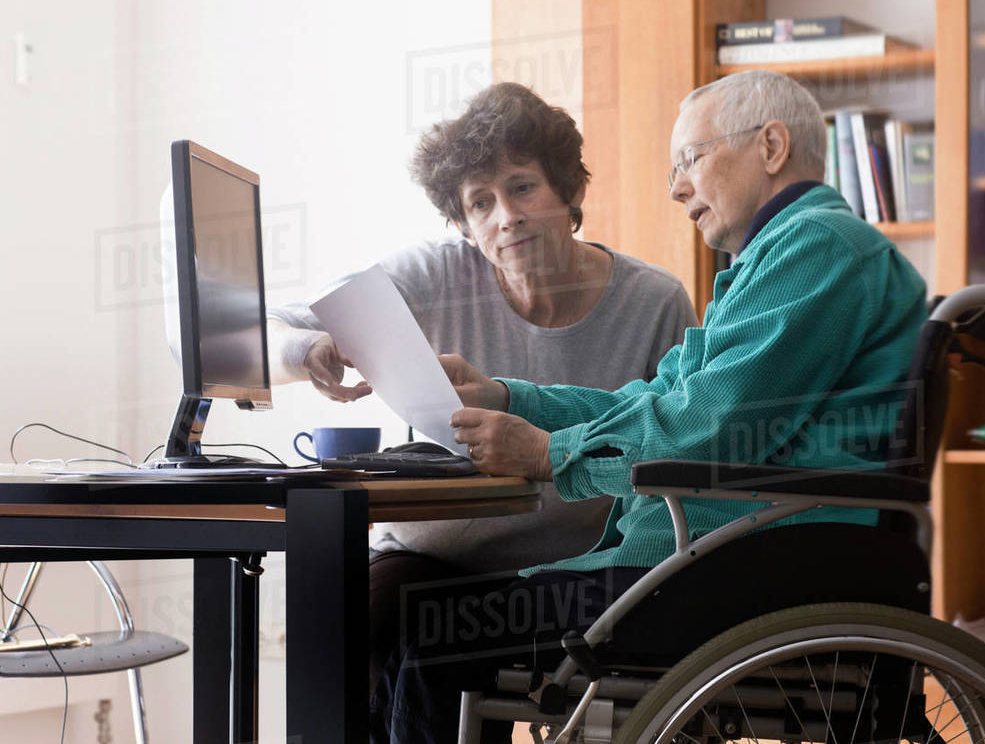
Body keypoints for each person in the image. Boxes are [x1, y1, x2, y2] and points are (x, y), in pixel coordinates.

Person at [371, 69, 928, 742]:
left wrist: (552, 455)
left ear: (772, 147)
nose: (676, 188)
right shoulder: (782, 258)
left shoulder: (815, 249)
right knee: (422, 618)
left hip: (739, 565)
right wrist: (508, 396)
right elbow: (660, 398)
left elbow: (715, 427)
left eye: (691, 159)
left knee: (434, 633)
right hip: (731, 555)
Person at [266, 82, 699, 689]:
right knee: (341, 624)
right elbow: (270, 322)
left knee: (439, 646)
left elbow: (677, 444)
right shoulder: (436, 273)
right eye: (480, 203)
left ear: (569, 190)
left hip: (574, 568)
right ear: (464, 225)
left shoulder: (654, 302)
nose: (507, 217)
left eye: (522, 187)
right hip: (430, 555)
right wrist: (306, 347)